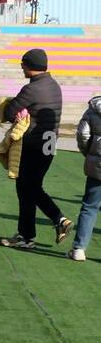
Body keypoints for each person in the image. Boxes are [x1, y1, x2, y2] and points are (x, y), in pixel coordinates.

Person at [0, 48, 71, 250]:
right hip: (49, 143)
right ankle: (33, 232)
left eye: (23, 63)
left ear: (30, 66)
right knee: (32, 187)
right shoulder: (54, 85)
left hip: (33, 145)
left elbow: (9, 112)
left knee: (26, 188)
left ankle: (43, 227)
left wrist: (8, 106)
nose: (21, 66)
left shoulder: (31, 89)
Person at [68, 95, 101, 262]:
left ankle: (79, 248)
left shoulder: (93, 109)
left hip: (98, 164)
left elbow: (83, 135)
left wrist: (88, 154)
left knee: (90, 207)